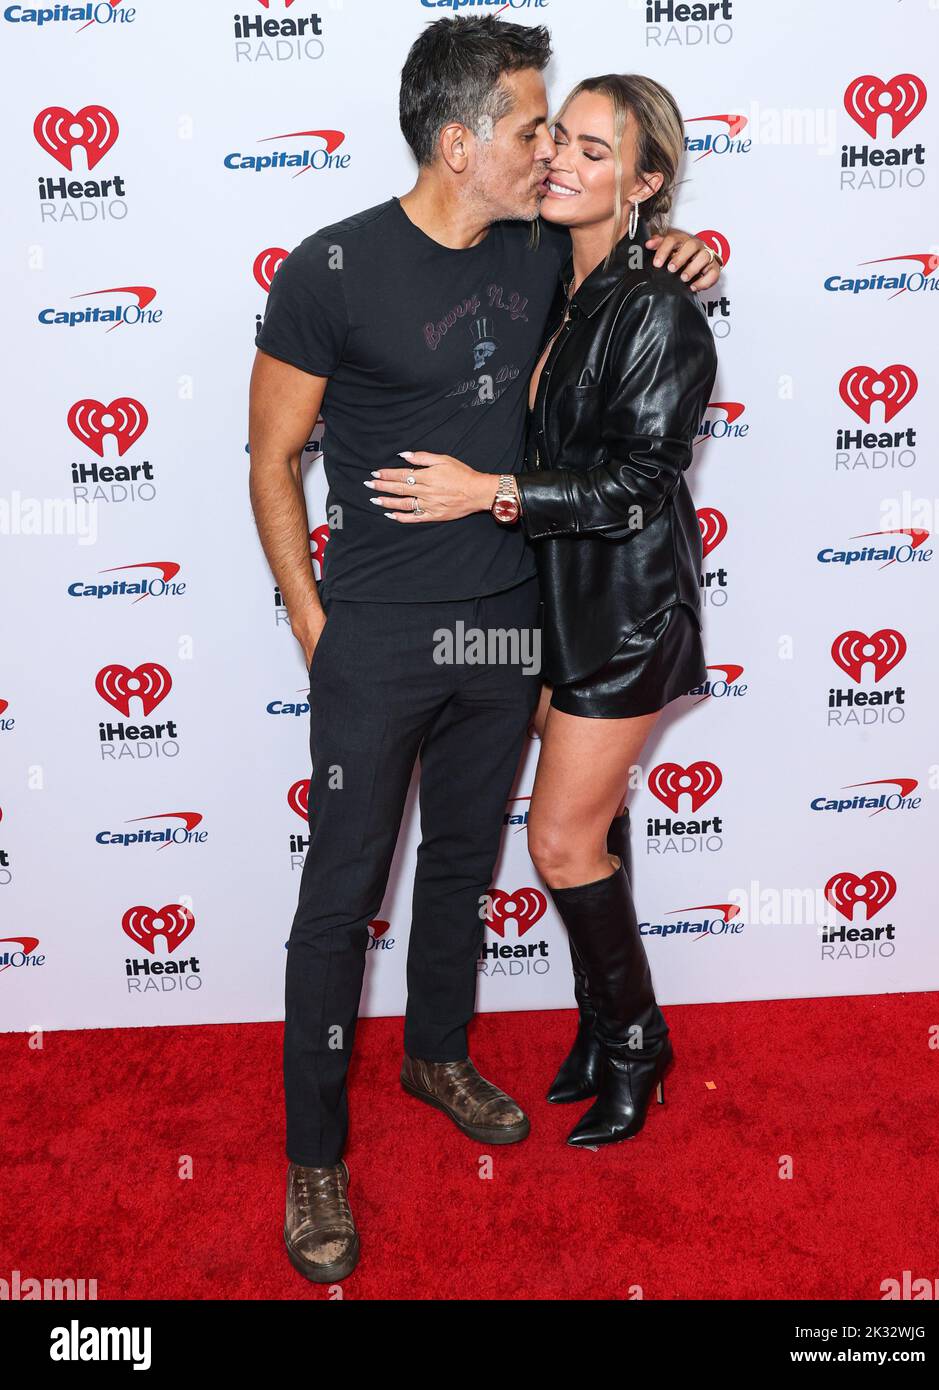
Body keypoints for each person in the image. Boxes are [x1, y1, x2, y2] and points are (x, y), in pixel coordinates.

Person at [248, 16, 721, 1283]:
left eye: (563, 132)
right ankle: (313, 1160)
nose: (545, 148)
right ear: (461, 143)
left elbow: (636, 282)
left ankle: (438, 1052)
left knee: (462, 863)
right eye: (529, 127)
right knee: (339, 901)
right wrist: (308, 612)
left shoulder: (534, 255)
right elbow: (269, 455)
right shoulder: (329, 268)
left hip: (512, 625)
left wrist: (685, 247)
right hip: (378, 636)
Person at [370, 74, 718, 1150]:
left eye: (595, 151)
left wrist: (489, 493)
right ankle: (599, 1025)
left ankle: (637, 1042)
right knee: (597, 827)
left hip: (622, 620)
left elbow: (634, 484)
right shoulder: (550, 279)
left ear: (645, 184)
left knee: (562, 844)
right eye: (557, 136)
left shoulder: (656, 306)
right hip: (552, 613)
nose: (561, 158)